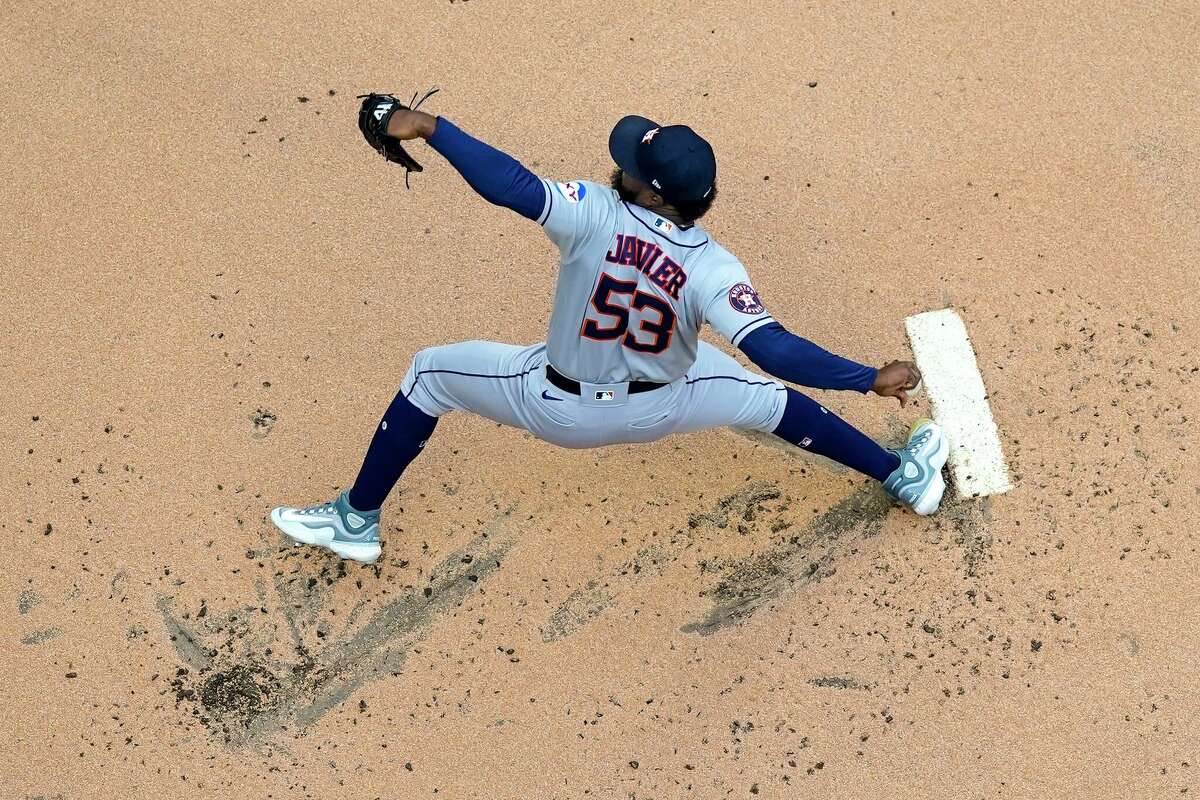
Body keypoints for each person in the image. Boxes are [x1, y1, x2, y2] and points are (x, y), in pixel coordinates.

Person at [271, 105, 948, 564]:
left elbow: (510, 185)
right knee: (766, 397)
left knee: (429, 373)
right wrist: (868, 376)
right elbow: (772, 348)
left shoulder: (593, 213)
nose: (619, 168)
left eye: (631, 168)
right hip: (666, 402)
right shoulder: (717, 266)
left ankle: (355, 520)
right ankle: (903, 477)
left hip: (557, 406)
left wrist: (432, 127)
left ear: (652, 194)